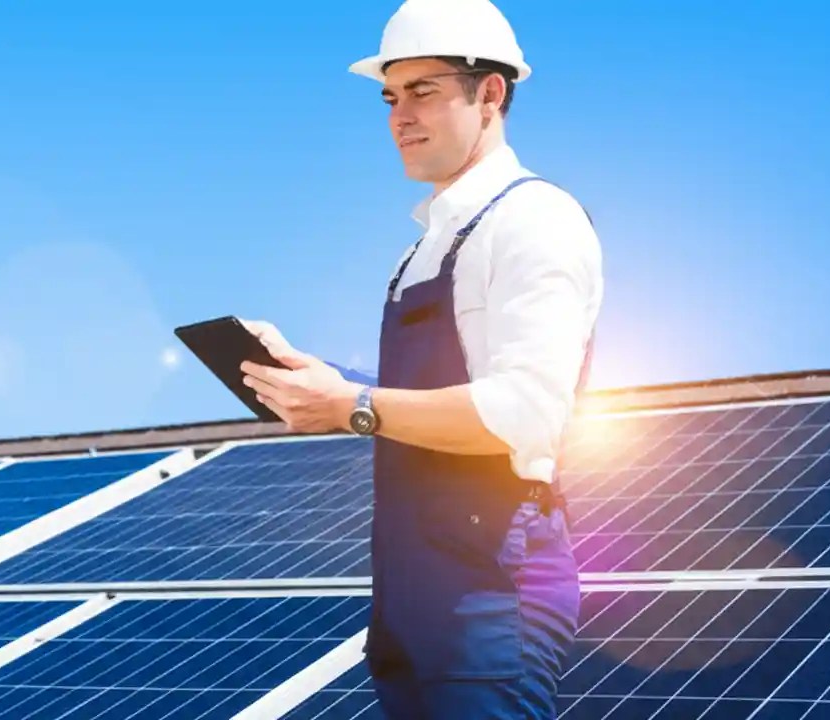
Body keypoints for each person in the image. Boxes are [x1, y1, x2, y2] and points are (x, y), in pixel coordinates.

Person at [238, 0, 603, 717]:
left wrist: (352, 405)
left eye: (424, 92)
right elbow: (426, 396)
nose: (399, 118)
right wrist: (324, 383)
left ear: (491, 92)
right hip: (411, 596)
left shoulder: (536, 219)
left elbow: (523, 413)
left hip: (492, 588)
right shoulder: (421, 249)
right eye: (390, 97)